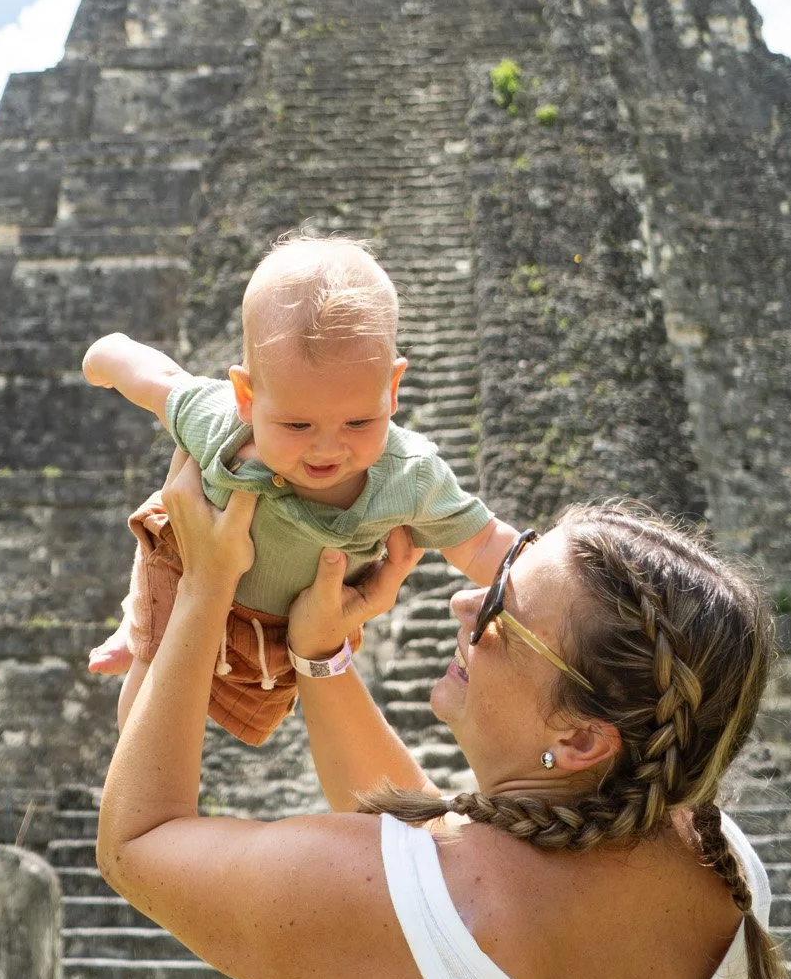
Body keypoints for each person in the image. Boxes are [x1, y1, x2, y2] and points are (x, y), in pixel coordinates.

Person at [96, 450, 791, 979]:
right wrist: (319, 657)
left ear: (578, 738)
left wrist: (204, 584)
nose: (467, 599)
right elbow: (440, 884)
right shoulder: (723, 868)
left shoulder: (400, 906)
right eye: (501, 569)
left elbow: (138, 842)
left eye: (503, 608)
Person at [81, 233, 517, 742]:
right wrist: (108, 356)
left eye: (358, 422)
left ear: (392, 389)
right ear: (247, 396)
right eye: (296, 426)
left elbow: (483, 542)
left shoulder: (410, 475)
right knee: (147, 700)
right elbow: (159, 381)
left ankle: (137, 631)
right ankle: (139, 641)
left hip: (284, 628)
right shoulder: (223, 422)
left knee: (261, 703)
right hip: (183, 580)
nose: (327, 450)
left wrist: (556, 587)